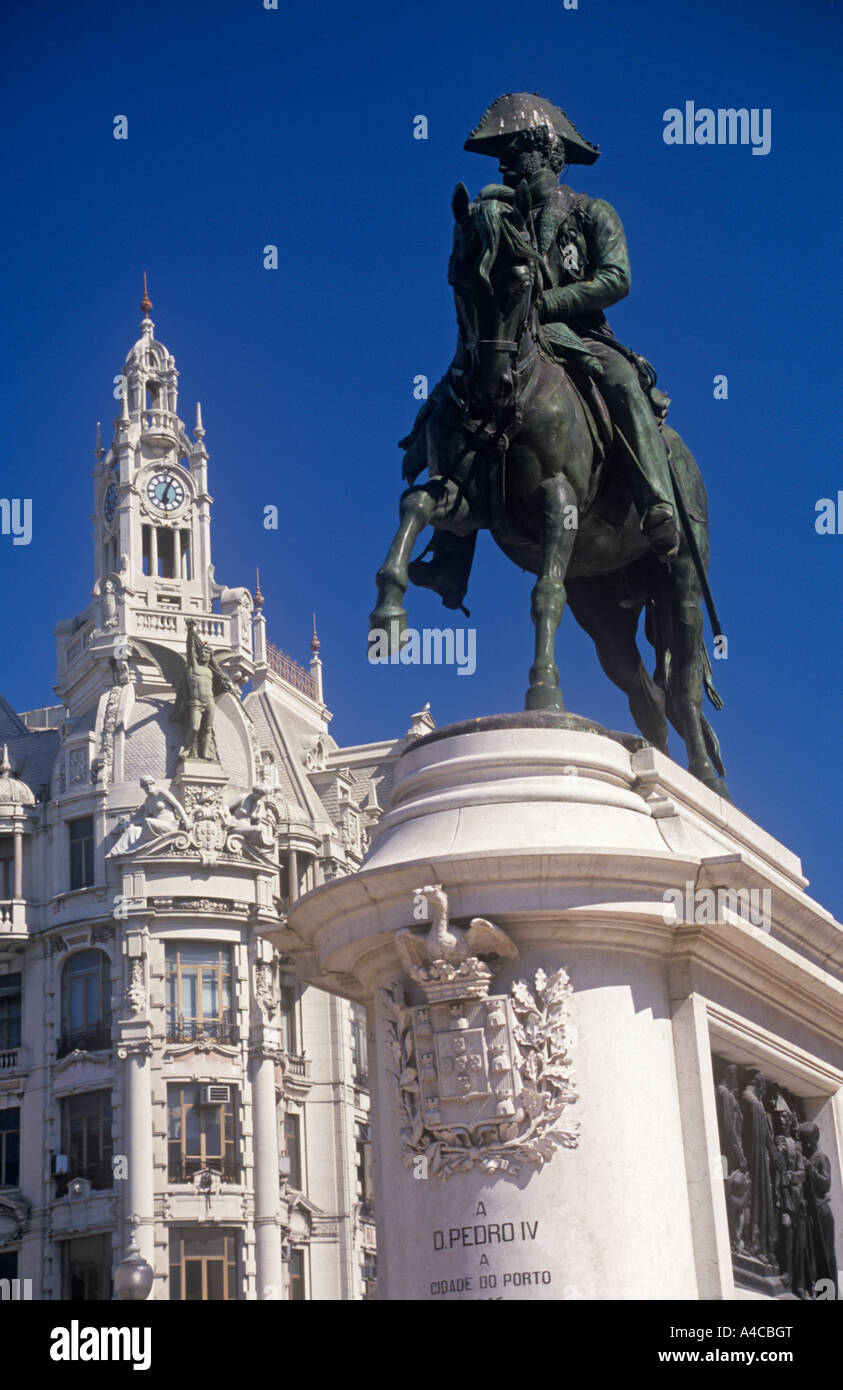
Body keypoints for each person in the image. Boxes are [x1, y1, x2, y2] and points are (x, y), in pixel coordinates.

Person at [407, 94, 681, 610]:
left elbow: (616, 278)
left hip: (580, 335)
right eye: (504, 157)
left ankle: (655, 503)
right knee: (457, 397)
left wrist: (549, 301)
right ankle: (448, 552)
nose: (508, 164)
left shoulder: (590, 212)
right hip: (514, 338)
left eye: (519, 154)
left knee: (620, 381)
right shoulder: (502, 216)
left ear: (551, 156)